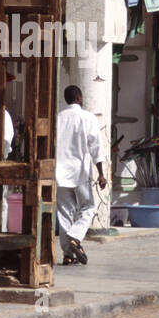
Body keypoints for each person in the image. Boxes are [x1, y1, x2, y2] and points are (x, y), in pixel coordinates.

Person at [55, 85, 107, 266]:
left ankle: (68, 255)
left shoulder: (58, 118)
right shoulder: (88, 117)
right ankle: (75, 237)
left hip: (60, 173)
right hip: (80, 172)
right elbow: (96, 147)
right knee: (88, 208)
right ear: (78, 97)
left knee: (64, 213)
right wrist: (101, 174)